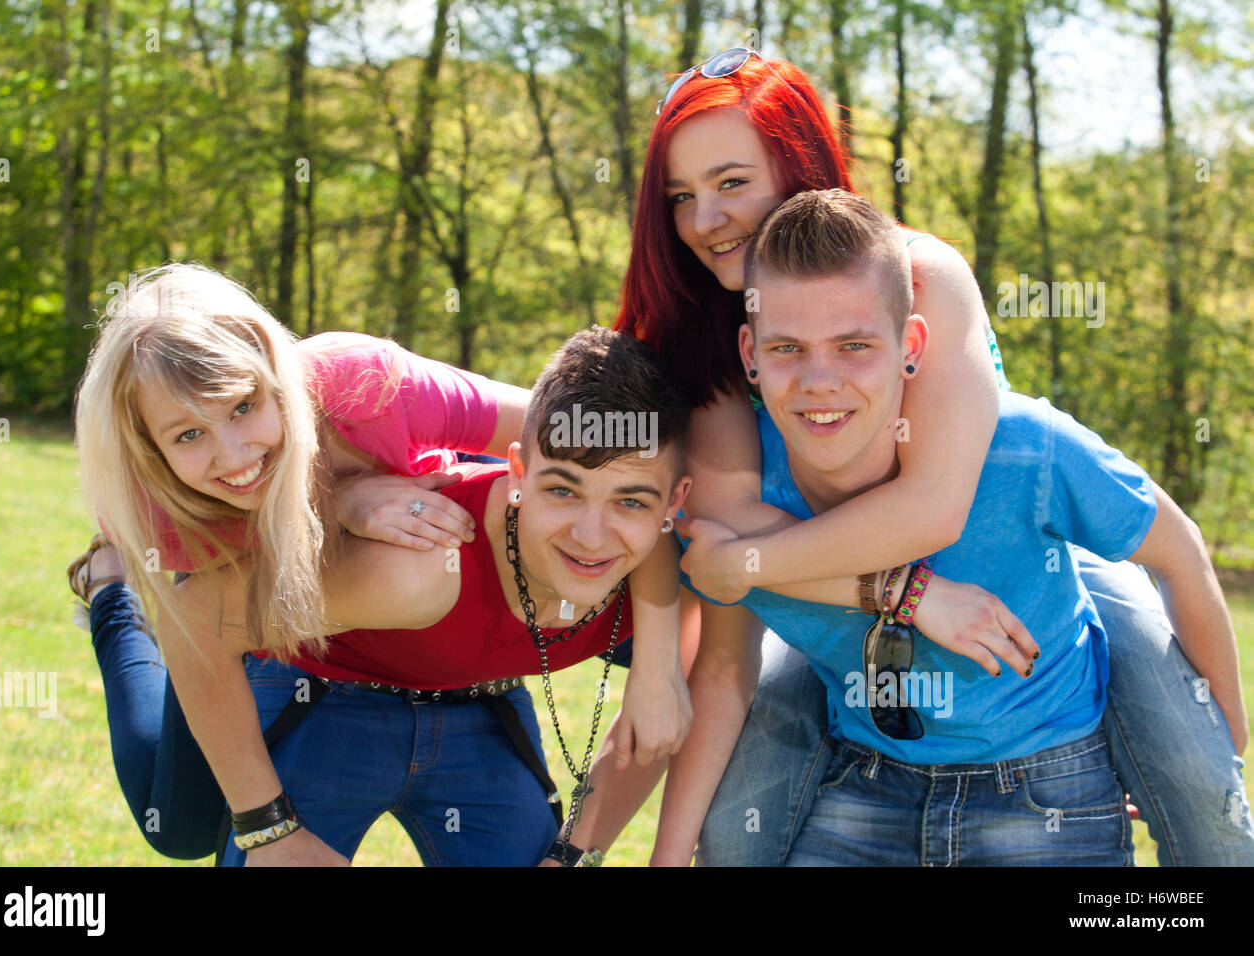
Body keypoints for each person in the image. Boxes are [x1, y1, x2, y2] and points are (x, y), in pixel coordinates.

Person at [613, 49, 1252, 865]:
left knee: (1202, 779)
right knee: (743, 813)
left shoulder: (918, 273)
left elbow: (930, 507)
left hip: (1030, 545)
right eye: (681, 197)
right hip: (834, 590)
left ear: (798, 163)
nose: (705, 221)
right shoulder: (709, 334)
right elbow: (728, 540)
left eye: (732, 182)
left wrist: (748, 565)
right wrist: (903, 595)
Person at [70, 264, 688, 864]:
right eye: (186, 435)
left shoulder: (373, 389)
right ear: (151, 449)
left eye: (241, 407)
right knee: (179, 827)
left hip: (416, 583)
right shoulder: (159, 518)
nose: (235, 455)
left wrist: (660, 663)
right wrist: (340, 501)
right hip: (293, 617)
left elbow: (612, 454)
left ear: (273, 372)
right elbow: (200, 623)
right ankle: (110, 595)